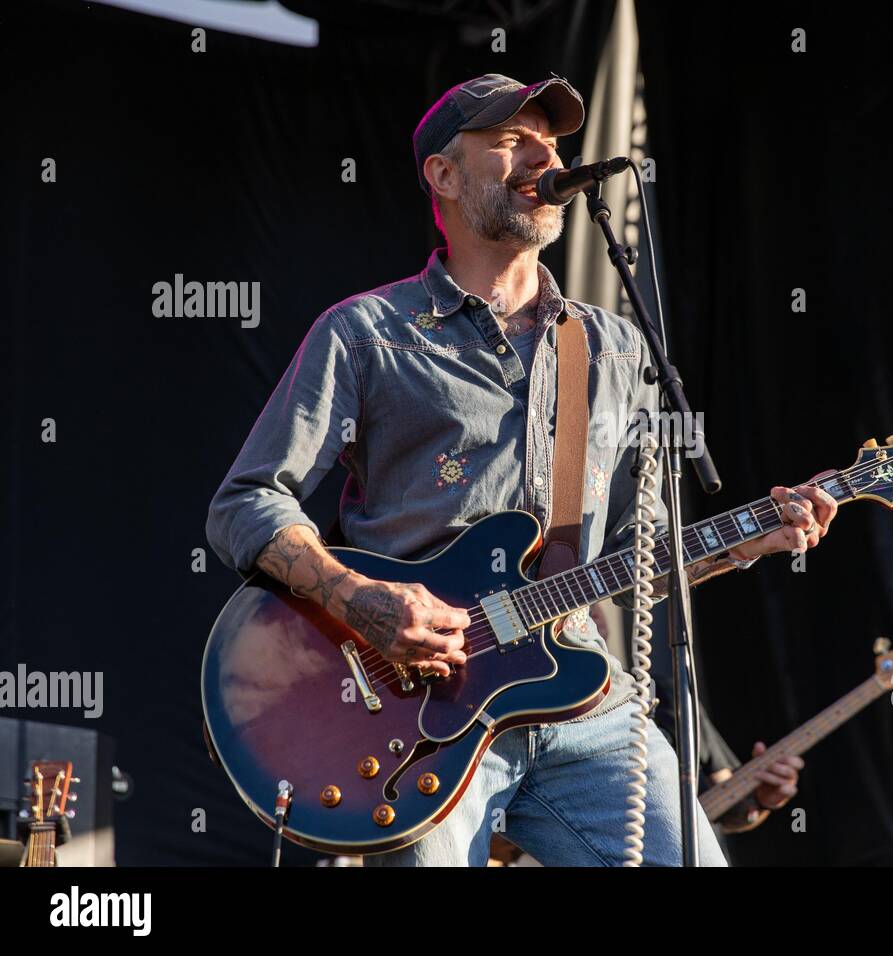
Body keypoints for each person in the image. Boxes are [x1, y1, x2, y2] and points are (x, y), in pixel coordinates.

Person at [205, 73, 838, 866]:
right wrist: (361, 599)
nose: (545, 156)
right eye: (512, 141)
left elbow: (635, 557)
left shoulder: (612, 347)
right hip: (419, 704)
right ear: (443, 175)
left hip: (583, 700)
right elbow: (246, 502)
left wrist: (750, 539)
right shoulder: (368, 334)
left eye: (554, 142)